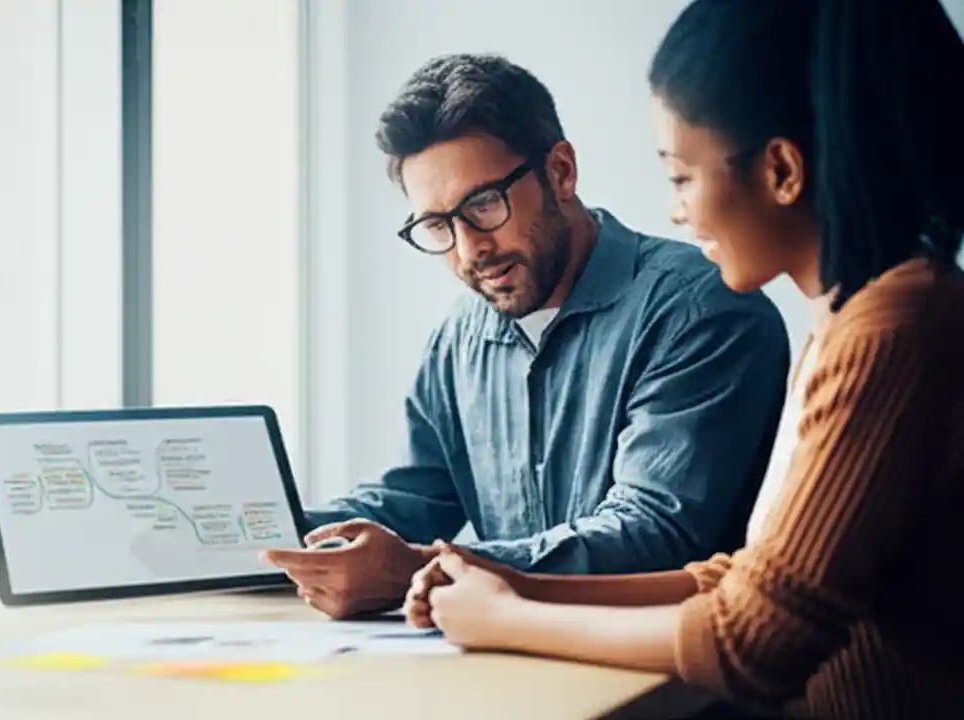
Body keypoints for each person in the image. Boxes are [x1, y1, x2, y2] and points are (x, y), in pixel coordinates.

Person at [405, 0, 964, 717]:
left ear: (782, 170)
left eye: (679, 177)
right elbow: (749, 580)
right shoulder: (854, 323)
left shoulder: (890, 332)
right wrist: (518, 585)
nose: (676, 212)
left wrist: (509, 620)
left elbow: (755, 639)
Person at [261, 53, 790, 619]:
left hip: (671, 688)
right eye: (438, 226)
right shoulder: (459, 338)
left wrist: (419, 571)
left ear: (561, 171)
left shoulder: (698, 308)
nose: (469, 251)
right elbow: (413, 497)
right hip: (515, 664)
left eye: (484, 204)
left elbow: (654, 535)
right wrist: (260, 536)